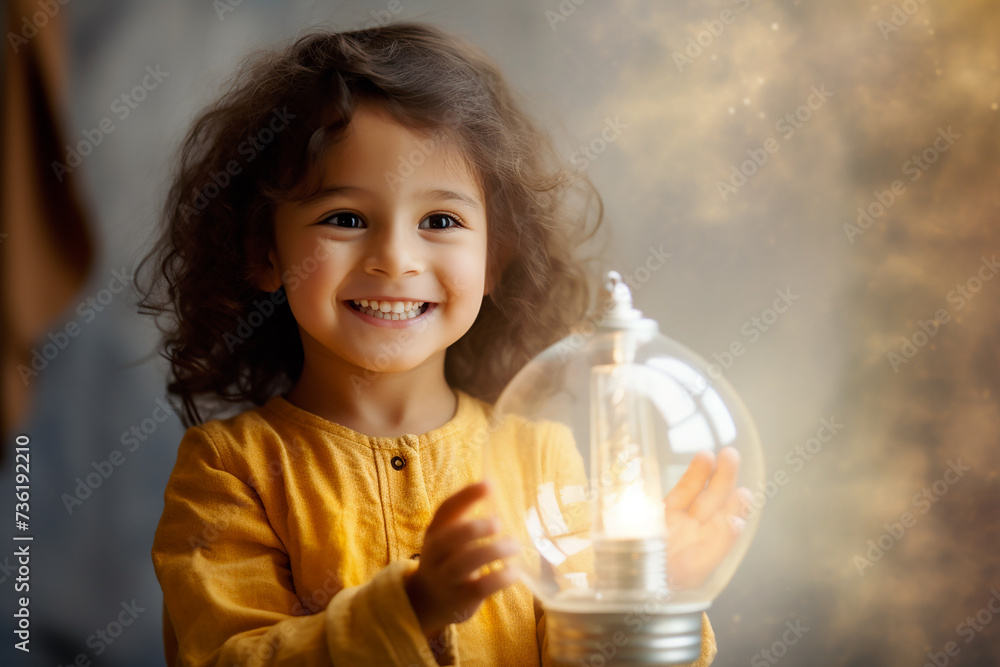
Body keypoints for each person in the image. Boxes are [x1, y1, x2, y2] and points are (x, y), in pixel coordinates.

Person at [136, 21, 749, 666]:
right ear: (264, 252)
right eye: (345, 218)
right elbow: (229, 656)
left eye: (441, 221)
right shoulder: (231, 469)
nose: (396, 259)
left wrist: (645, 599)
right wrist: (410, 607)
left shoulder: (537, 459)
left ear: (494, 261)